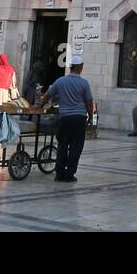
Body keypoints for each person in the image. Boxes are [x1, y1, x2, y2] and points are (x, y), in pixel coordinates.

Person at [40, 55, 94, 183]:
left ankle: (59, 173)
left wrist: (40, 106)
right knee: (76, 147)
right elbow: (89, 102)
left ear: (70, 67)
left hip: (64, 118)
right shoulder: (84, 83)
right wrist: (90, 117)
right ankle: (69, 174)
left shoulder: (60, 81)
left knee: (63, 145)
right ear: (80, 67)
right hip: (79, 118)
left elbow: (48, 95)